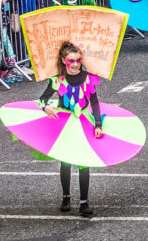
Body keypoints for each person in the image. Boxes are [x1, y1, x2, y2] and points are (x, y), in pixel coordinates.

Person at [39, 42, 104, 217]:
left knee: (83, 162)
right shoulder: (57, 80)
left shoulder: (88, 78)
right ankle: (66, 197)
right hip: (64, 123)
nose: (75, 64)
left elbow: (95, 102)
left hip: (83, 122)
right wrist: (45, 107)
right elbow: (42, 99)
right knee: (66, 161)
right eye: (71, 61)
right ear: (63, 60)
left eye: (78, 60)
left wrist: (98, 124)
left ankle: (84, 202)